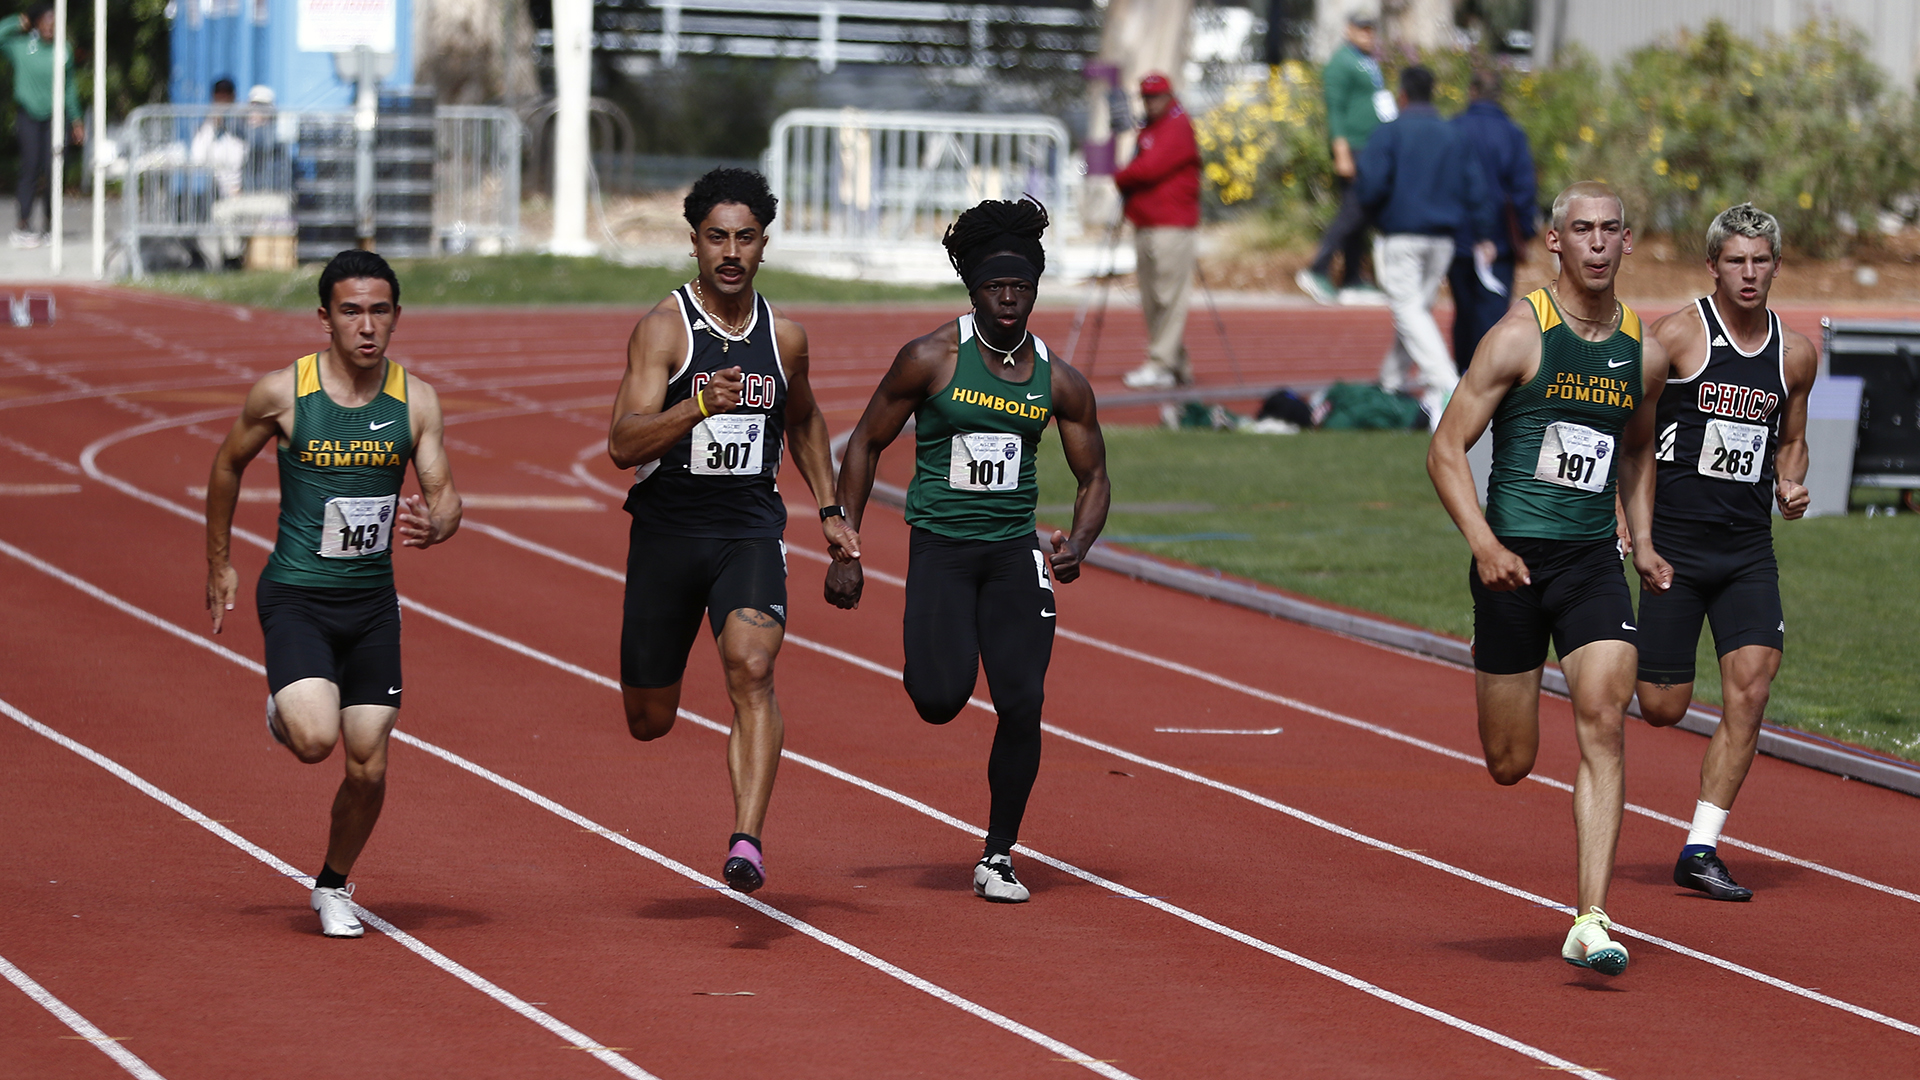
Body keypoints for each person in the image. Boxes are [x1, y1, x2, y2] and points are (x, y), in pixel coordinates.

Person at [828, 197, 1111, 904]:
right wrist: (846, 544)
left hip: (1014, 555)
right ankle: (933, 653)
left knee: (1023, 702)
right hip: (943, 552)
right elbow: (863, 442)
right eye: (995, 288)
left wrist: (1077, 544)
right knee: (937, 698)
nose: (1009, 300)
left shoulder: (1061, 381)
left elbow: (1094, 477)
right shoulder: (930, 359)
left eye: (1021, 288)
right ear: (973, 290)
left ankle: (998, 853)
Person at [1427, 182, 1670, 975]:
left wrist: (1641, 537)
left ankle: (1590, 917)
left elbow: (1634, 448)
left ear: (1627, 243)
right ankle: (1495, 653)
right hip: (1513, 566)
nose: (1597, 243)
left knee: (1606, 716)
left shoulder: (1646, 350)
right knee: (1510, 761)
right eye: (1581, 230)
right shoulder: (1516, 337)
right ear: (1554, 242)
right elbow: (1445, 449)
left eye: (1610, 230)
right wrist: (1485, 544)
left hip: (1592, 561)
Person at [607, 167, 856, 895]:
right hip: (666, 536)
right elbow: (622, 444)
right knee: (648, 719)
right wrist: (695, 408)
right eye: (716, 237)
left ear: (763, 246)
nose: (731, 251)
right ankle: (668, 709)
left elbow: (803, 417)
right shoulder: (662, 330)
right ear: (693, 243)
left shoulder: (786, 337)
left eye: (745, 238)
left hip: (748, 530)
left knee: (753, 667)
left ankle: (746, 838)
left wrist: (831, 511)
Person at [205, 250, 462, 938]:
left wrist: (437, 521)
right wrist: (220, 563)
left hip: (372, 606)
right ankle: (287, 710)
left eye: (380, 311)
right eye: (351, 311)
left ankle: (332, 884)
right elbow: (227, 464)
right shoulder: (284, 394)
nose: (367, 326)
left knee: (370, 763)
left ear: (397, 317)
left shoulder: (417, 400)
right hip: (297, 595)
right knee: (317, 739)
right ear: (325, 318)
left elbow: (446, 495)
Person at [1632, 203, 1817, 902]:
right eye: (1735, 261)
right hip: (1674, 548)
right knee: (1661, 707)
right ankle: (1603, 655)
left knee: (1752, 688)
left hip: (1746, 550)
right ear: (1712, 266)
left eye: (1760, 260)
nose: (1748, 273)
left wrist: (1791, 483)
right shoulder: (1675, 339)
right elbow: (1634, 440)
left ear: (1775, 264)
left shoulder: (1795, 352)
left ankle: (1701, 846)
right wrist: (1636, 528)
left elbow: (1791, 437)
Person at [1356, 65, 1496, 429]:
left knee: (1408, 311)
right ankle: (1391, 381)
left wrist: (1371, 216)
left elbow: (1369, 186)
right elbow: (1476, 187)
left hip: (1402, 233)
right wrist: (1483, 233)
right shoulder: (1453, 135)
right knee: (1416, 310)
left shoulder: (1390, 132)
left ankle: (1447, 384)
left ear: (1402, 94)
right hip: (1443, 239)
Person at [1114, 71, 1202, 390]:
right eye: (1146, 97)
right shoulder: (1151, 127)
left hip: (1171, 225)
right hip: (1148, 221)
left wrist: (1121, 175)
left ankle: (1161, 362)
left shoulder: (1176, 125)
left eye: (1155, 96)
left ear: (1168, 95)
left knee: (1167, 296)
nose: (1150, 103)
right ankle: (1175, 363)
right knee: (1153, 298)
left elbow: (1149, 168)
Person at [1296, 12, 1390, 306]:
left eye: (1371, 28)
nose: (1368, 33)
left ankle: (1352, 278)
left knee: (1362, 214)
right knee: (1353, 210)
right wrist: (1341, 151)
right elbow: (1335, 109)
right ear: (1348, 29)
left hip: (1371, 146)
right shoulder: (1341, 62)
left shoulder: (1368, 60)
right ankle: (1317, 269)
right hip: (1354, 145)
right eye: (1362, 28)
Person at [1448, 67, 1536, 370]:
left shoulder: (1453, 128)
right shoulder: (1512, 133)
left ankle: (1461, 378)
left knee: (1464, 312)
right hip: (1499, 241)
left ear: (1472, 91)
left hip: (1458, 237)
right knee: (1494, 315)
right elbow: (1524, 187)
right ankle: (1489, 384)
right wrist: (1523, 232)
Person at [1, 4, 82, 248]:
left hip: (56, 118)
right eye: (45, 21)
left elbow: (69, 88)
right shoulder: (22, 47)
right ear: (36, 23)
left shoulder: (63, 50)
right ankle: (23, 224)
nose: (49, 26)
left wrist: (76, 119)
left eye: (54, 22)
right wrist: (18, 20)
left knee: (54, 168)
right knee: (31, 165)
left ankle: (50, 222)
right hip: (29, 116)